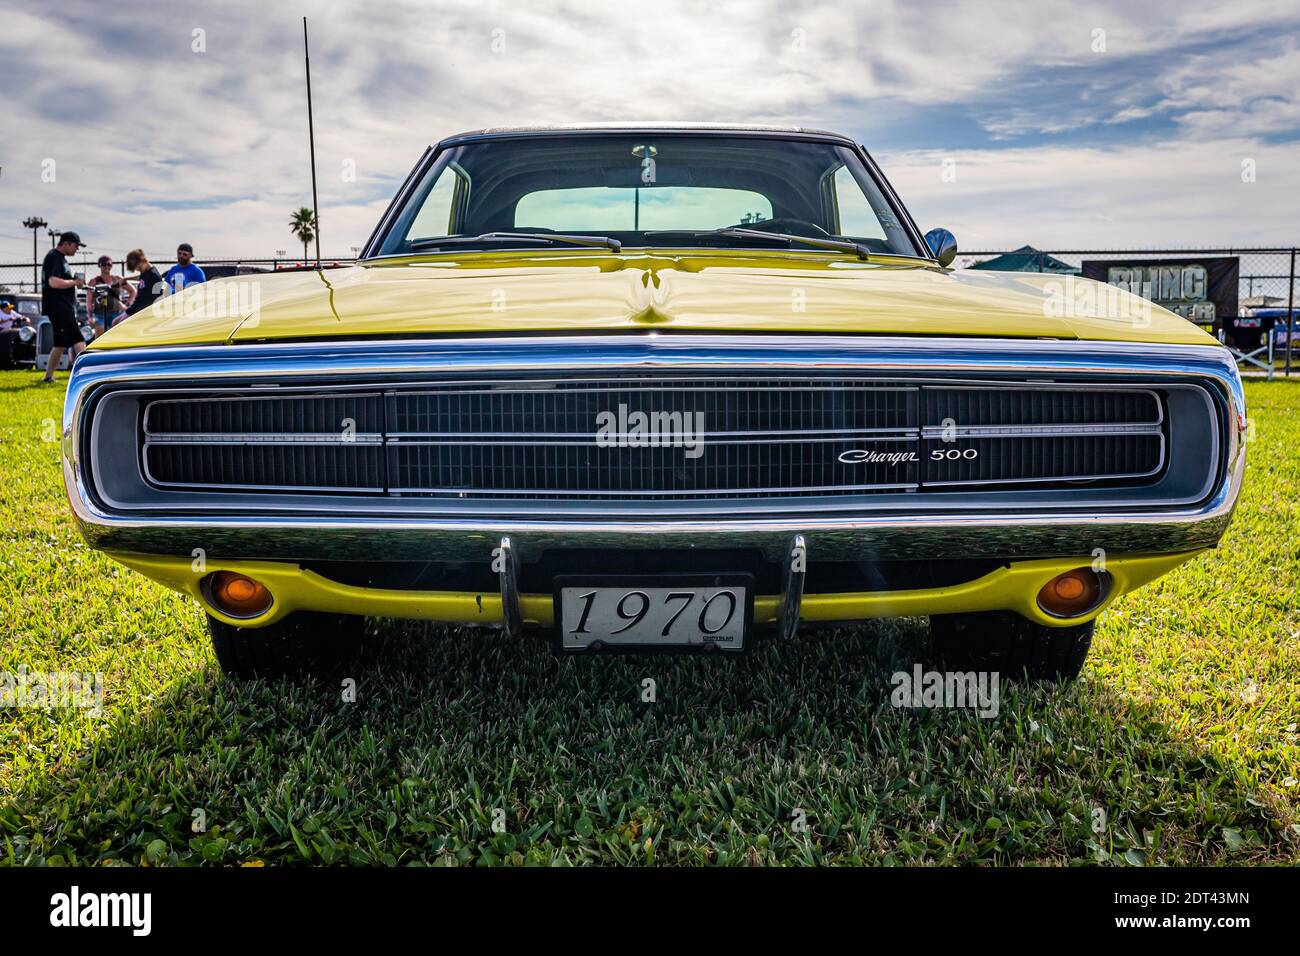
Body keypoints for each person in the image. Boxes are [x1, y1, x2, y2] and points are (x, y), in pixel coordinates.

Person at [41, 231, 87, 383]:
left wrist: (73, 282)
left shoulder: (59, 258)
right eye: (75, 246)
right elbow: (53, 282)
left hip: (61, 307)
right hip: (59, 307)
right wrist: (74, 282)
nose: (77, 249)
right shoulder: (54, 257)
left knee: (60, 344)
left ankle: (47, 377)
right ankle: (87, 374)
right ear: (66, 243)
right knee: (78, 339)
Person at [85, 254, 134, 335]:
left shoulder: (117, 279)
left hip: (116, 312)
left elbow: (133, 291)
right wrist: (90, 316)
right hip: (100, 314)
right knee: (100, 336)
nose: (107, 266)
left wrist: (127, 305)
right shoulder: (94, 281)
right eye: (104, 264)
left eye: (109, 264)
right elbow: (89, 301)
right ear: (99, 266)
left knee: (117, 336)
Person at [124, 250, 167, 318]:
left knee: (116, 322)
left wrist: (130, 312)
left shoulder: (154, 275)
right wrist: (125, 279)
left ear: (144, 260)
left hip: (147, 314)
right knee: (115, 322)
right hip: (139, 311)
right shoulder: (145, 272)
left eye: (139, 268)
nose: (138, 270)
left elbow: (157, 298)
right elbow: (141, 278)